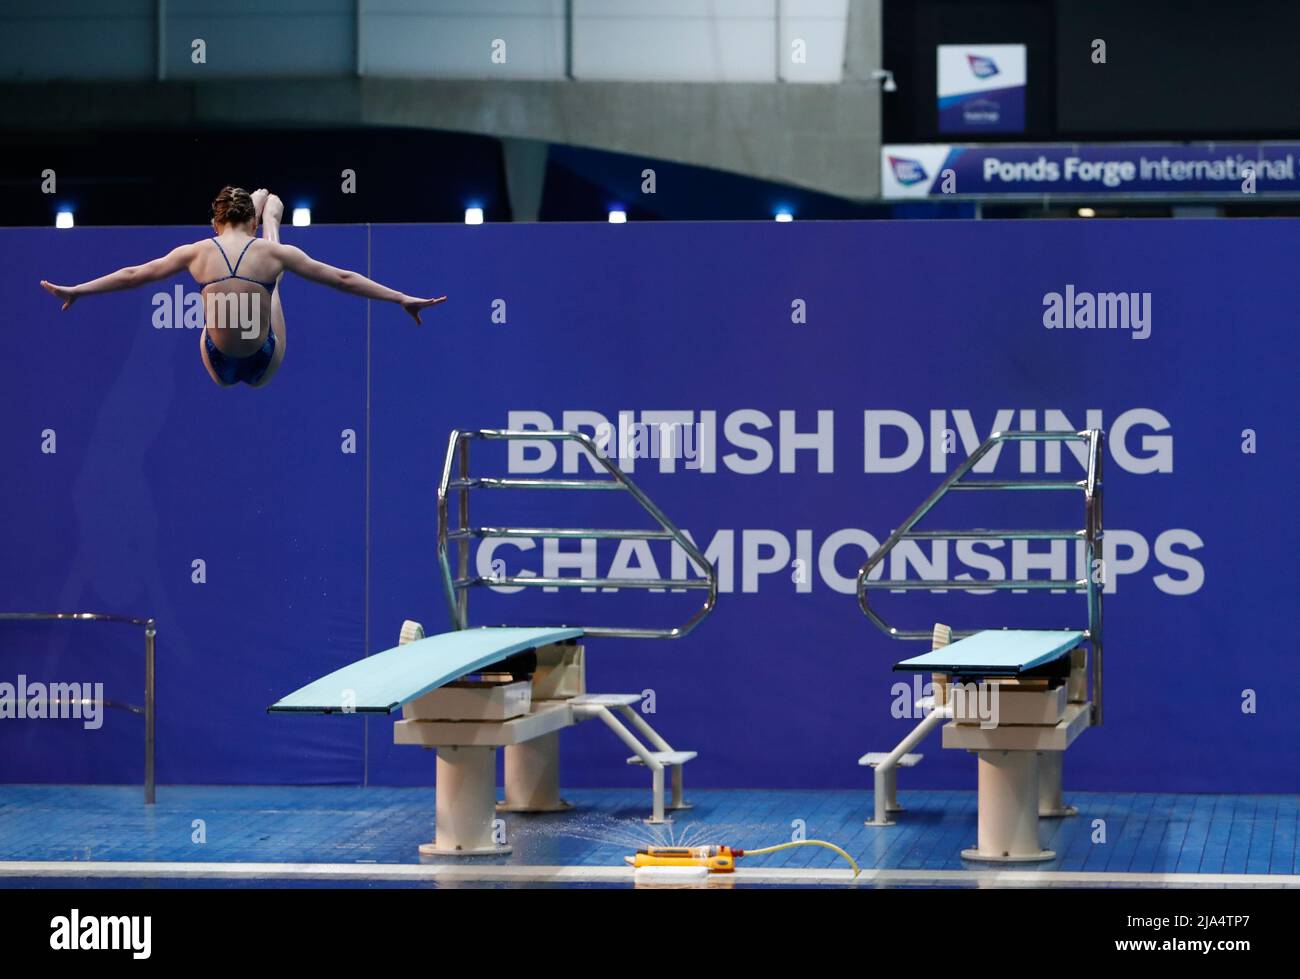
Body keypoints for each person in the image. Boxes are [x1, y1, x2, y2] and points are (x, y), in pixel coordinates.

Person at [40, 186, 445, 387]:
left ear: (215, 224)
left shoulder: (195, 251)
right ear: (246, 221)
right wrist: (400, 298)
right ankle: (272, 225)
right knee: (275, 277)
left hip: (217, 360)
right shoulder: (270, 256)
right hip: (264, 358)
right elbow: (342, 279)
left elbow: (133, 275)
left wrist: (79, 289)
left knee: (232, 292)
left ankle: (255, 230)